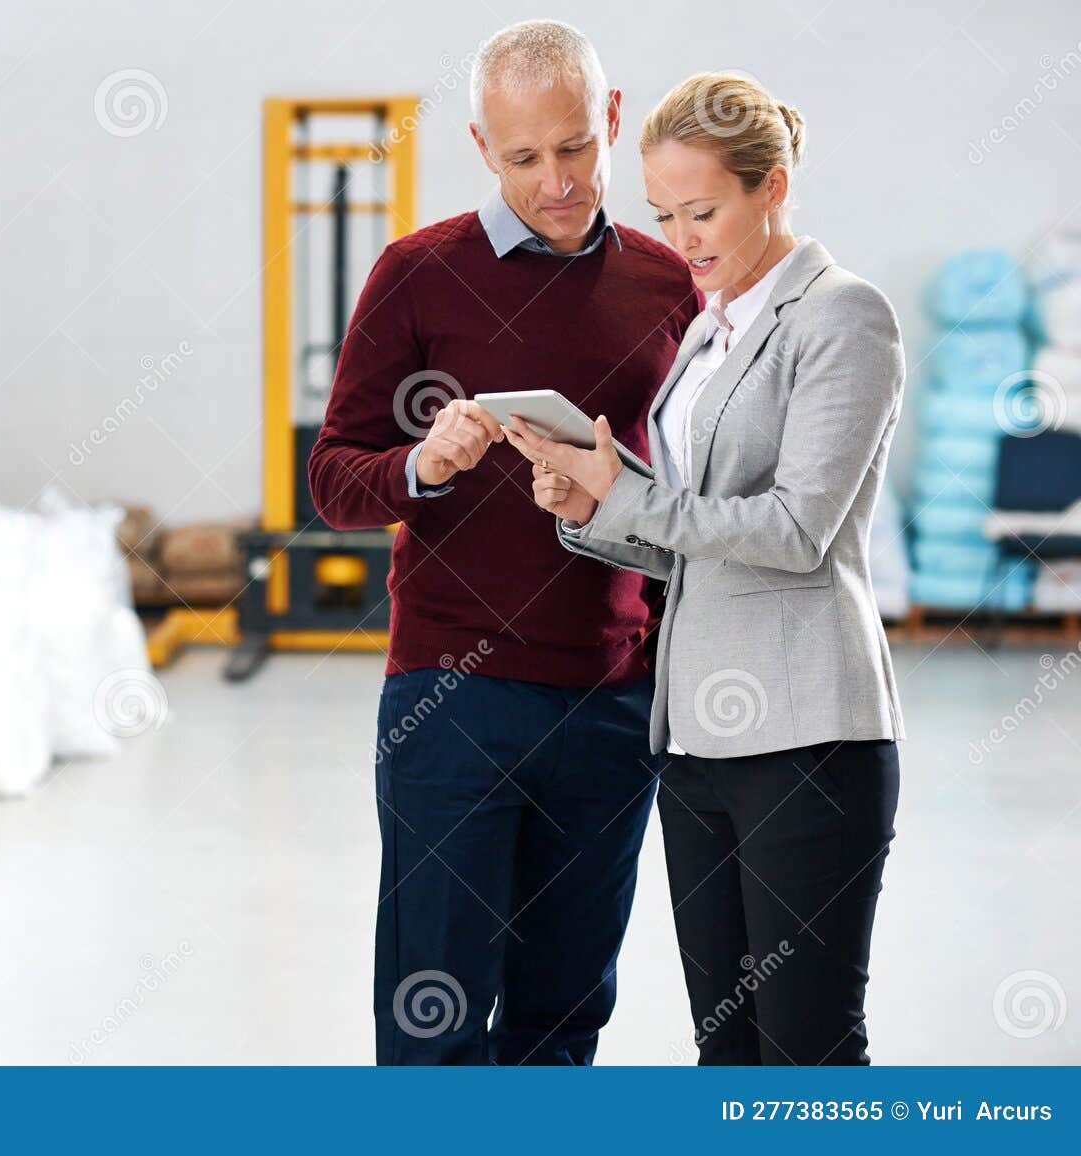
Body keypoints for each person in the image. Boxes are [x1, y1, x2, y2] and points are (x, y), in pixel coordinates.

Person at [307, 21, 701, 1064]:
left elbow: (690, 493)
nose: (556, 182)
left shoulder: (669, 285)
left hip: (611, 704)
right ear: (482, 146)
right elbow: (333, 477)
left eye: (575, 146)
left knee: (562, 1026)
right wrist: (421, 466)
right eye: (524, 157)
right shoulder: (417, 273)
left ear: (611, 118)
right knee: (430, 1028)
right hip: (452, 702)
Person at [503, 72, 906, 1065]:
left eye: (704, 210)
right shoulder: (709, 328)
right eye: (663, 214)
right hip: (695, 739)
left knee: (807, 1048)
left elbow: (796, 529)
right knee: (722, 1050)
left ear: (773, 188)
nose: (683, 238)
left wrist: (629, 494)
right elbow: (696, 539)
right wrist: (592, 508)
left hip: (807, 735)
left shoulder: (842, 317)